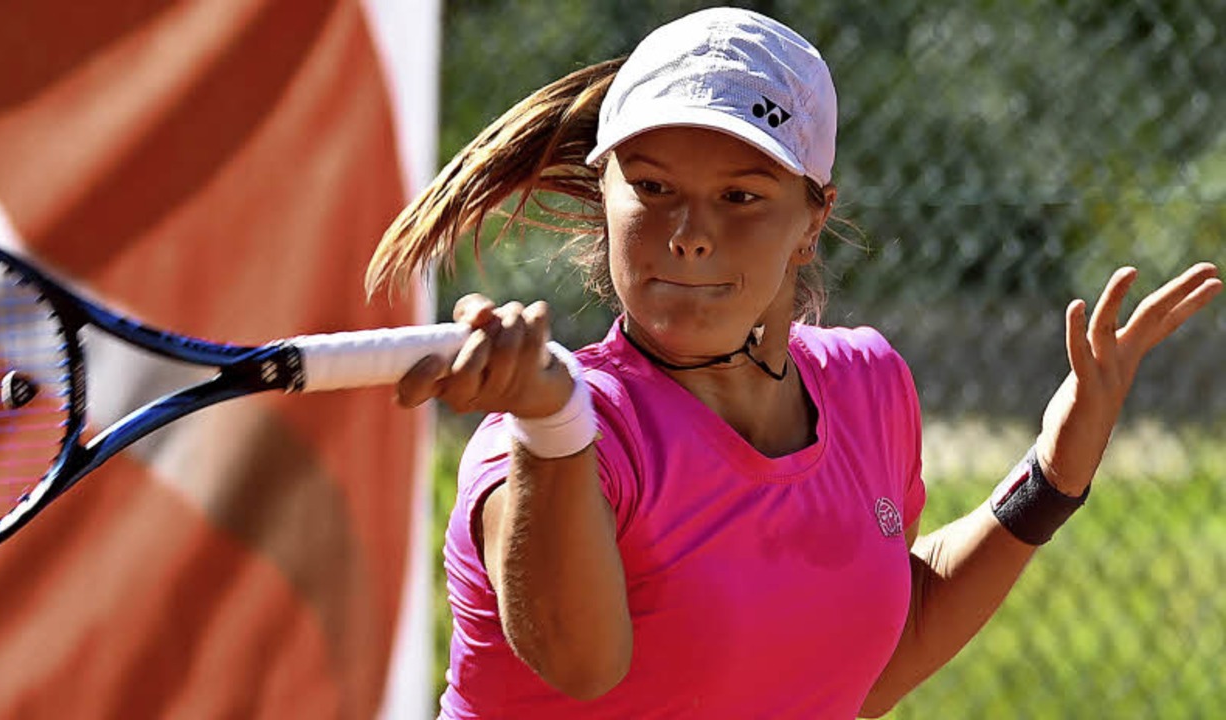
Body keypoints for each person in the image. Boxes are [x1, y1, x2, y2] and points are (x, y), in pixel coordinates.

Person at [365, 6, 1222, 719]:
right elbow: (578, 664)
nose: (688, 233)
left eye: (739, 196)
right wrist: (549, 425)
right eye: (652, 187)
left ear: (812, 219)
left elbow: (861, 664)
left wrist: (1053, 476)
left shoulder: (866, 385)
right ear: (605, 195)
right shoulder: (558, 436)